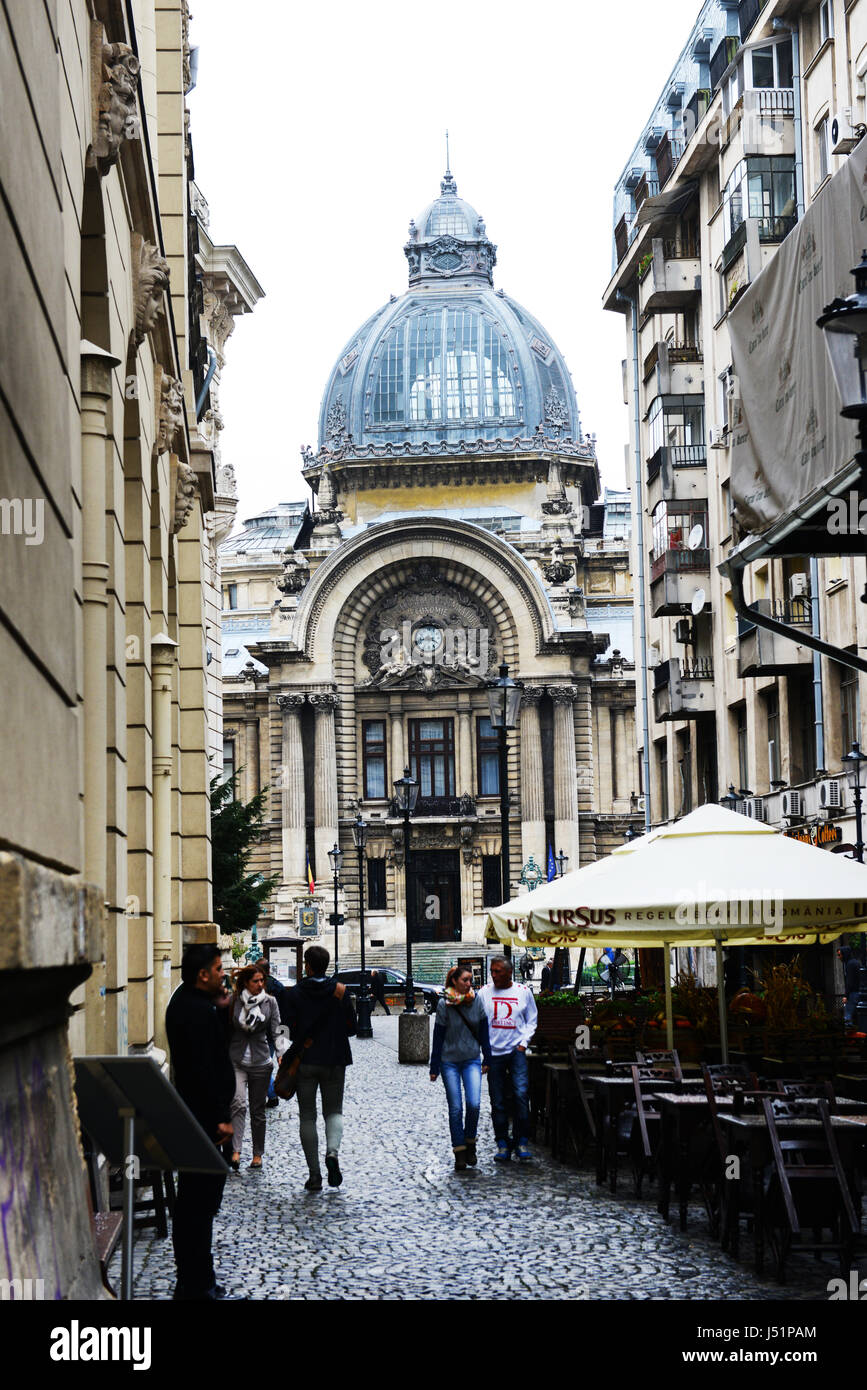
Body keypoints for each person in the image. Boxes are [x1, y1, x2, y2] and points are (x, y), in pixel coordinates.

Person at [165, 943, 236, 1300]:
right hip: (205, 1121)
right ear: (203, 974)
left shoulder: (189, 1003)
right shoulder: (195, 1011)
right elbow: (204, 1071)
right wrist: (221, 1119)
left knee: (197, 1205)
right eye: (220, 968)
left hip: (199, 1117)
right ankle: (197, 1285)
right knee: (198, 1206)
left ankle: (196, 1280)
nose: (224, 974)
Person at [283, 944, 357, 1191]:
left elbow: (286, 1030)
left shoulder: (294, 994)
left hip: (305, 1061)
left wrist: (285, 1052)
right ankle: (332, 1154)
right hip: (335, 1059)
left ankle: (314, 1175)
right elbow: (352, 1028)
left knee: (307, 1116)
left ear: (308, 965)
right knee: (334, 1111)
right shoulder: (340, 991)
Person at [429, 965, 492, 1171]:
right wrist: (434, 1065)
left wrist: (487, 1057)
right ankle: (459, 1151)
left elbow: (484, 1032)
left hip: (472, 1058)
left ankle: (470, 1141)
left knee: (474, 1104)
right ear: (454, 981)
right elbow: (438, 1036)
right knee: (455, 1108)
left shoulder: (477, 1001)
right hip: (449, 1062)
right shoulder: (443, 1004)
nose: (469, 983)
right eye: (465, 980)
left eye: (470, 979)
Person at [478, 955, 538, 1163]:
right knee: (498, 1100)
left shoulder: (523, 992)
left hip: (516, 1051)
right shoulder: (484, 992)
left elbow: (532, 1019)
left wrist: (524, 1043)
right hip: (493, 1053)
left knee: (521, 1094)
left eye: (498, 971)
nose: (493, 975)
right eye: (492, 971)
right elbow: (477, 1020)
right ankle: (502, 1142)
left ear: (509, 972)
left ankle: (521, 1140)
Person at [229, 962, 286, 1170]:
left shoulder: (270, 1002)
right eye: (256, 981)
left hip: (261, 1061)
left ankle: (257, 1154)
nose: (260, 984)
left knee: (258, 1110)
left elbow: (279, 1029)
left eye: (262, 980)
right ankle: (235, 1151)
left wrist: (281, 1054)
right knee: (237, 1103)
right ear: (246, 983)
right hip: (237, 1060)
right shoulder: (234, 1001)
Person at [839, 945, 862, 1026]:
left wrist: (846, 995)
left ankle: (850, 1035)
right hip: (857, 991)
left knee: (847, 1016)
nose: (839, 957)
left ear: (845, 954)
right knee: (856, 1015)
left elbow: (850, 981)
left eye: (840, 955)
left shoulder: (849, 964)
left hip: (853, 993)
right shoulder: (854, 962)